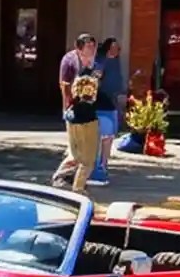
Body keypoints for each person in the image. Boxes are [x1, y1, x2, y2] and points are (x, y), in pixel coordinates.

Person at [51, 33, 100, 189]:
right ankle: (75, 187)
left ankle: (66, 179)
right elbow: (64, 85)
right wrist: (67, 106)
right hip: (75, 112)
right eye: (88, 46)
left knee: (82, 155)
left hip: (90, 112)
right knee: (82, 156)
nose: (92, 49)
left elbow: (97, 81)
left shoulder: (94, 62)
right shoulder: (70, 60)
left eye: (94, 45)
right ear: (79, 48)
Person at [90, 37, 125, 184]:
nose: (116, 50)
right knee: (102, 138)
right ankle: (96, 169)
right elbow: (94, 80)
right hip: (101, 104)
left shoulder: (116, 62)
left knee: (109, 137)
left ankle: (104, 165)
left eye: (118, 48)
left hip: (112, 104)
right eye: (114, 47)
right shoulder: (100, 62)